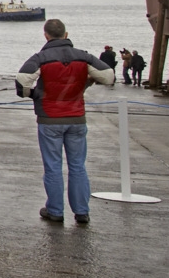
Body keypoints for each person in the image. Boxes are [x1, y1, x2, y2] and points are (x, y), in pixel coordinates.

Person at [16, 18, 115, 224]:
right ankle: (81, 211)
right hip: (76, 116)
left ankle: (55, 210)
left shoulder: (41, 58)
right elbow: (109, 76)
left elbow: (22, 81)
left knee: (53, 166)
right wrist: (88, 81)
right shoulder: (83, 56)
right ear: (66, 34)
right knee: (78, 166)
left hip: (50, 117)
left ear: (46, 35)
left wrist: (35, 94)